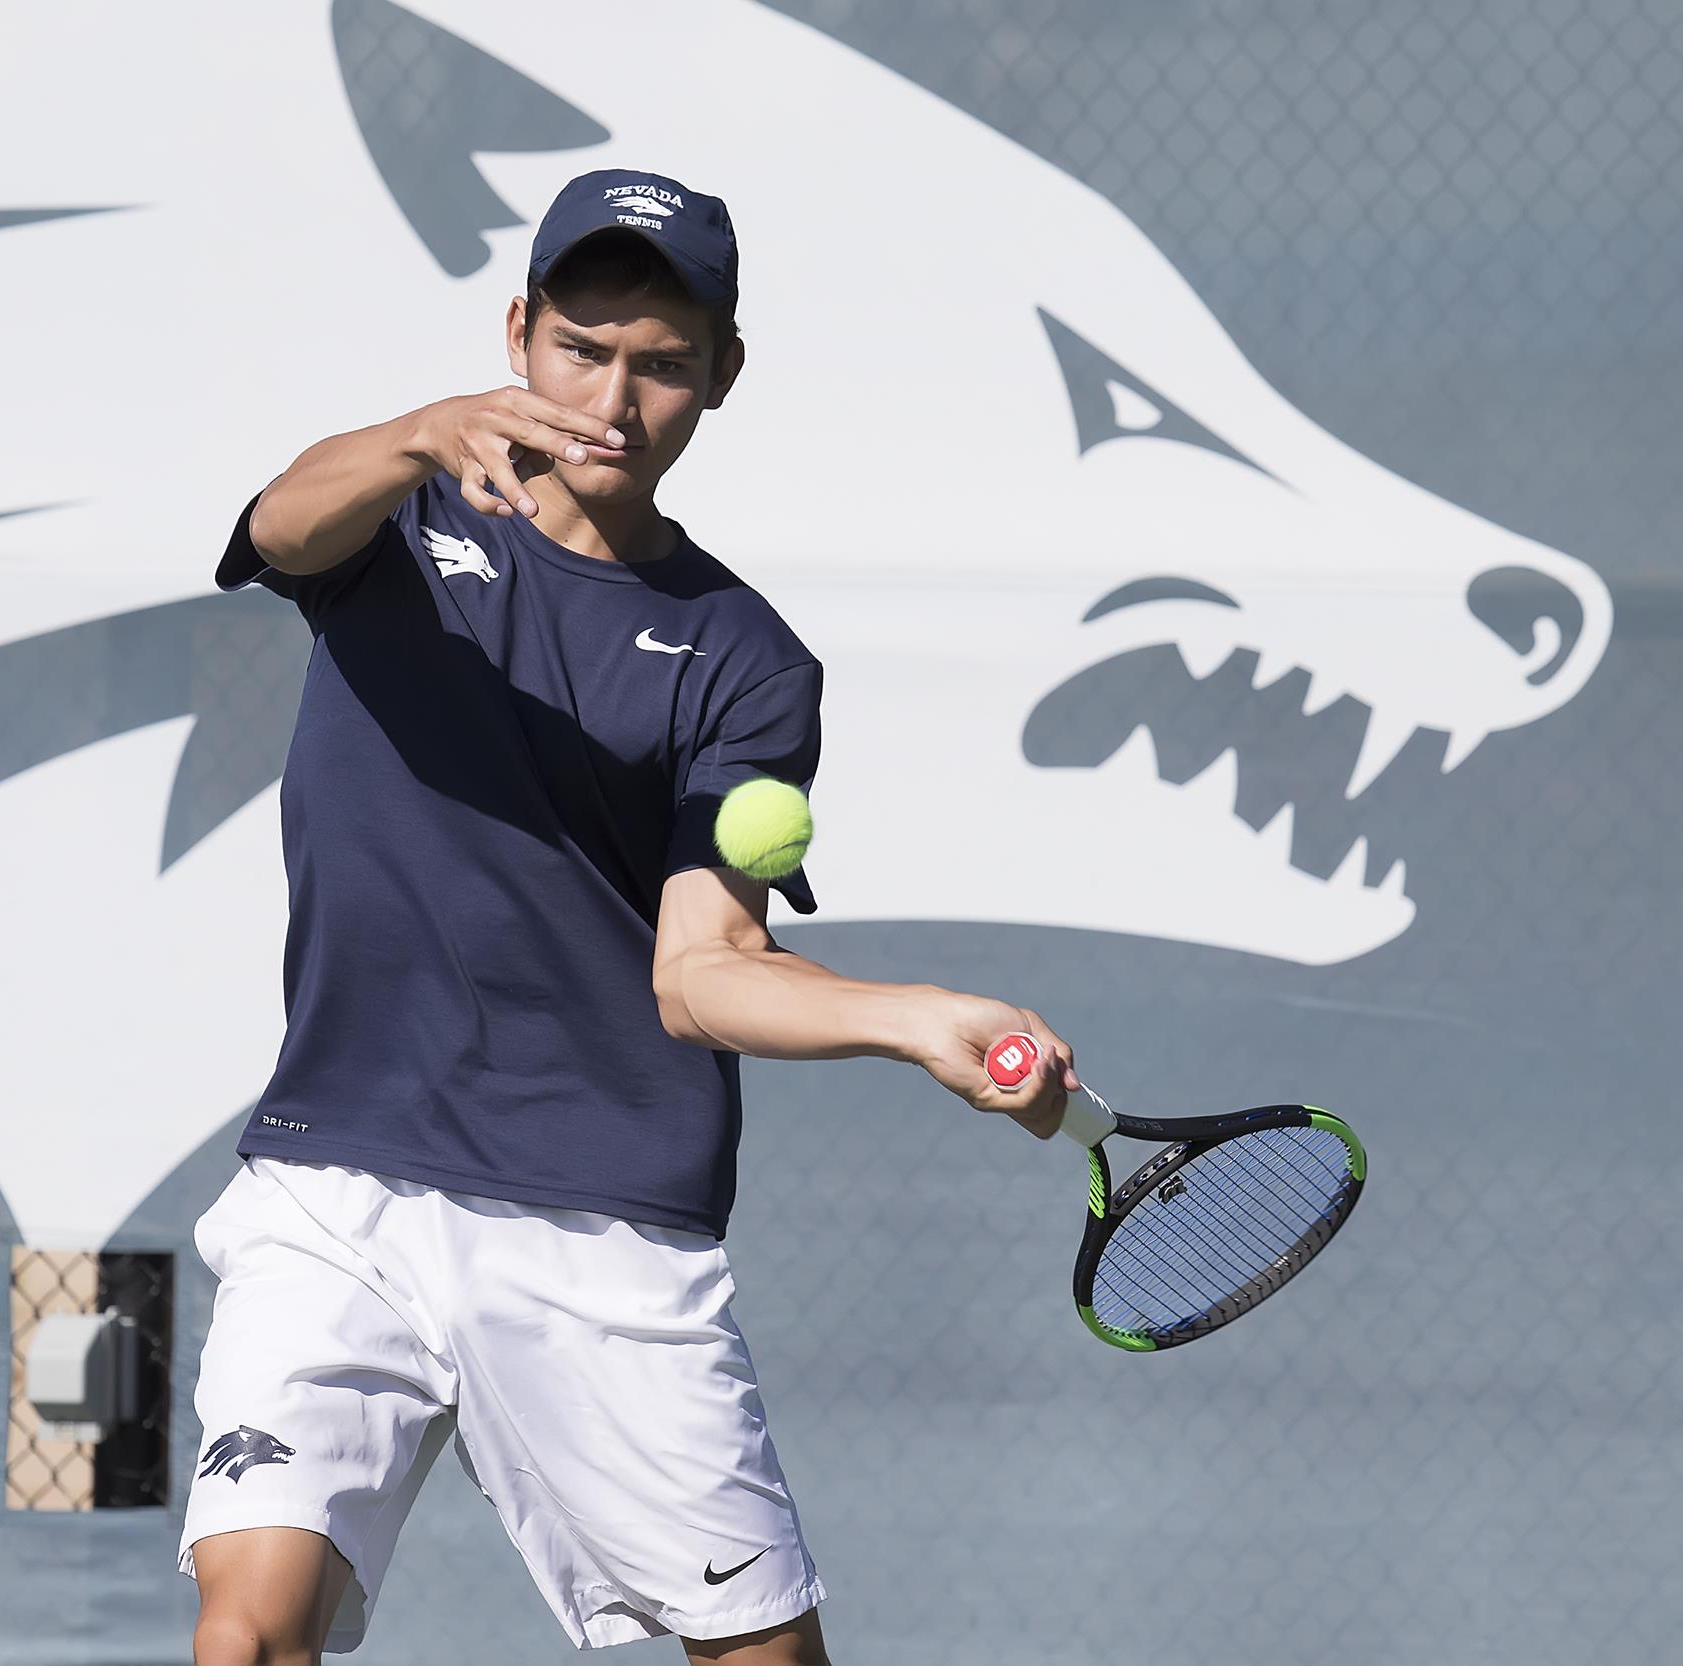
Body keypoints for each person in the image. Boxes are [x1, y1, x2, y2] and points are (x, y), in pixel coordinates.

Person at [180, 169, 1079, 1666]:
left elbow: (703, 974)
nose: (614, 396)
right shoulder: (391, 528)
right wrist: (417, 432)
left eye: (662, 362)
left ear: (721, 377)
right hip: (340, 1180)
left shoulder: (744, 661)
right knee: (246, 1631)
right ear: (520, 334)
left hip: (597, 1218)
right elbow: (281, 522)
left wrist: (914, 1017)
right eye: (582, 347)